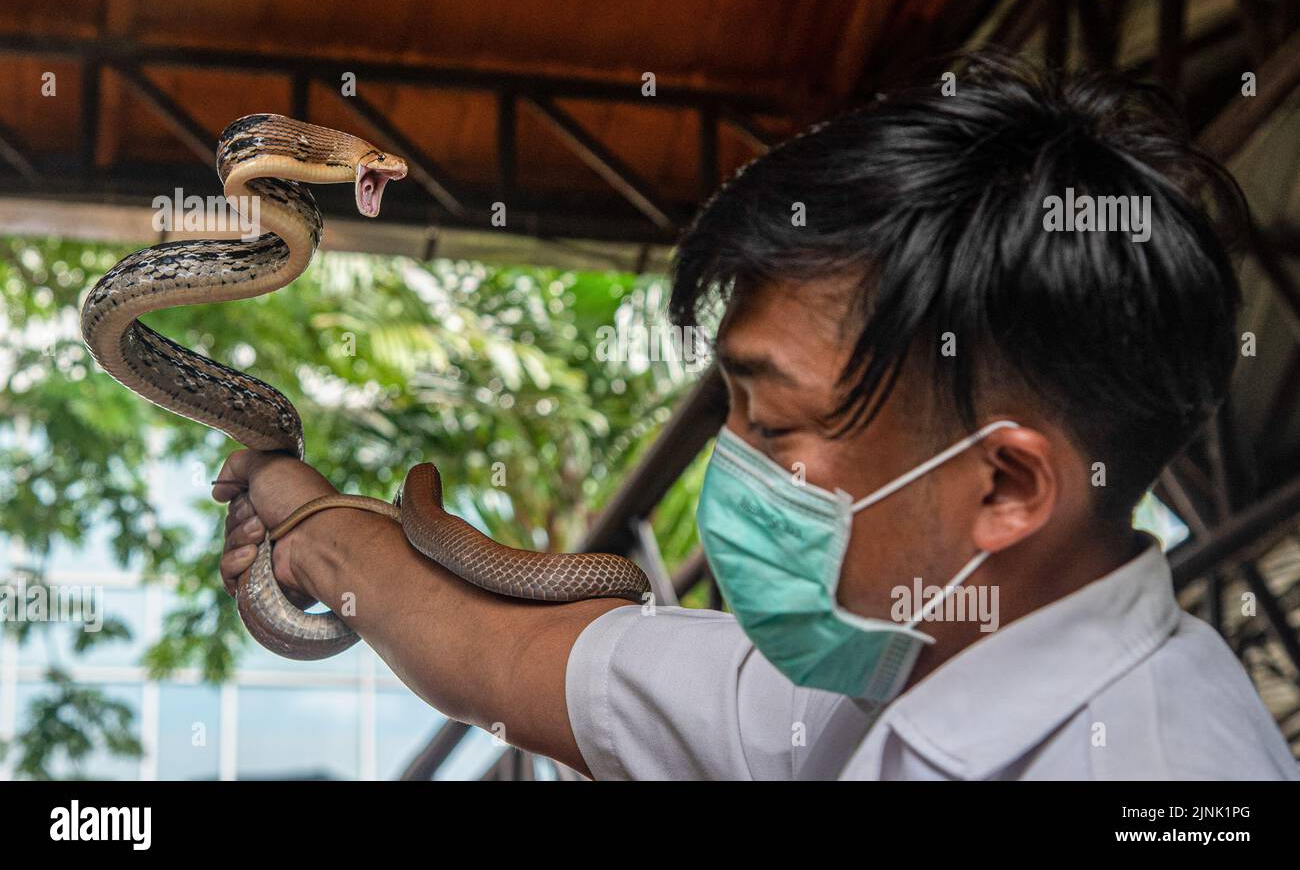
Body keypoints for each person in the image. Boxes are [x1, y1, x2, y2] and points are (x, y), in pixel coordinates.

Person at [214, 53, 1298, 780]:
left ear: (1005, 488)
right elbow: (500, 655)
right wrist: (305, 521)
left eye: (775, 428)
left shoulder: (1165, 771)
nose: (731, 475)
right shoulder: (872, 671)